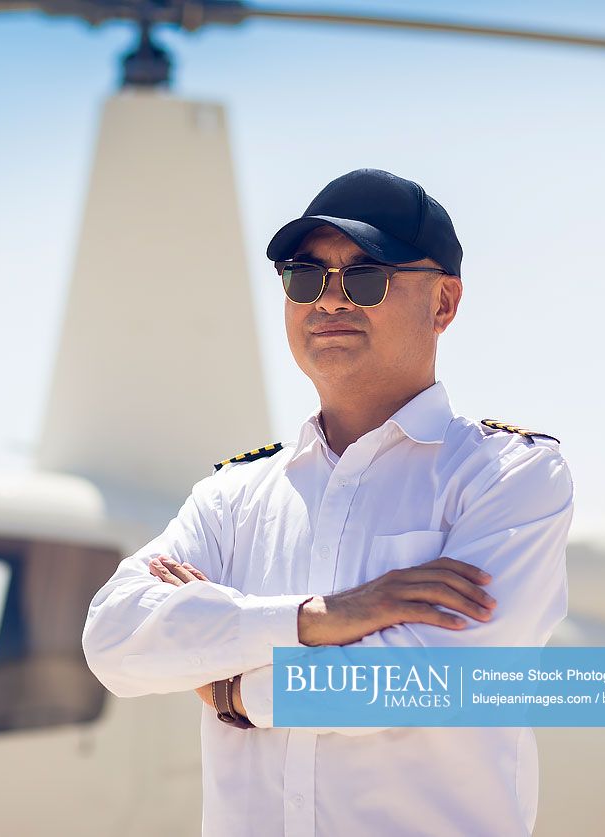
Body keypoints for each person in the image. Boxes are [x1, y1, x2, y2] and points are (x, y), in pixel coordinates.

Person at [81, 168, 573, 837]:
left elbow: (427, 682)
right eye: (304, 276)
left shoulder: (506, 474)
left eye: (364, 275)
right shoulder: (231, 495)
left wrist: (232, 690)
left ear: (443, 304)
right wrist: (323, 618)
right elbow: (113, 641)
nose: (328, 300)